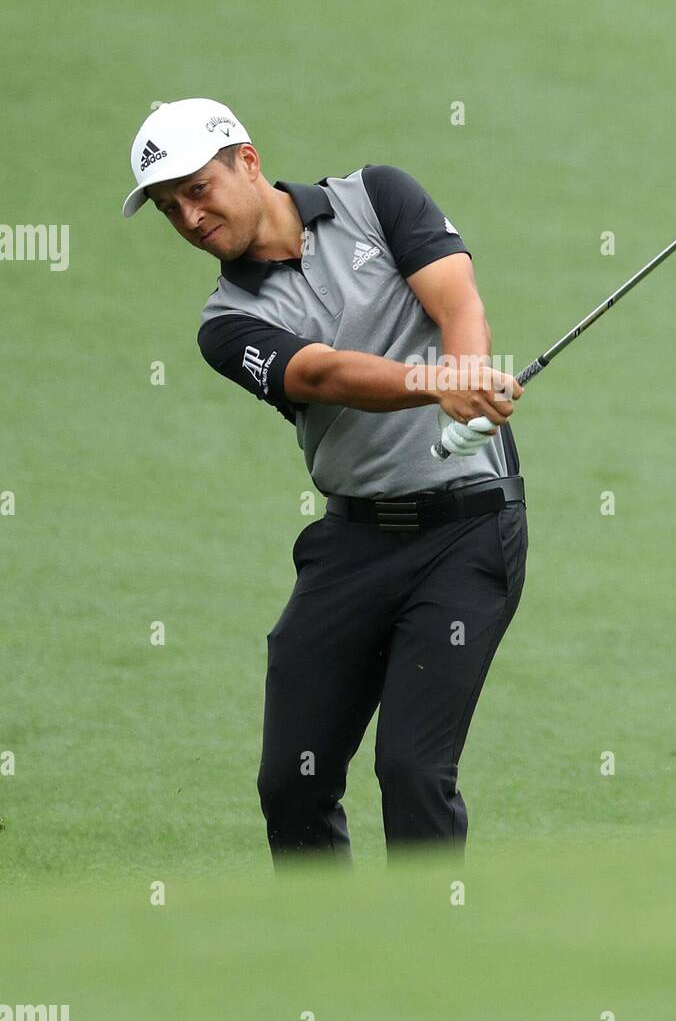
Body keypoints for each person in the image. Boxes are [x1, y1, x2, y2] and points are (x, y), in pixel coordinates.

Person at [123, 97, 528, 862]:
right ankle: (328, 963)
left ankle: (438, 967)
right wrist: (435, 385)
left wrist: (467, 374)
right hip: (354, 543)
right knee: (291, 781)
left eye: (197, 190)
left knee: (412, 769)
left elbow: (456, 298)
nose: (189, 218)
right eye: (170, 209)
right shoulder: (225, 322)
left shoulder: (378, 196)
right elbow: (321, 373)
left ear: (248, 160)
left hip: (468, 532)